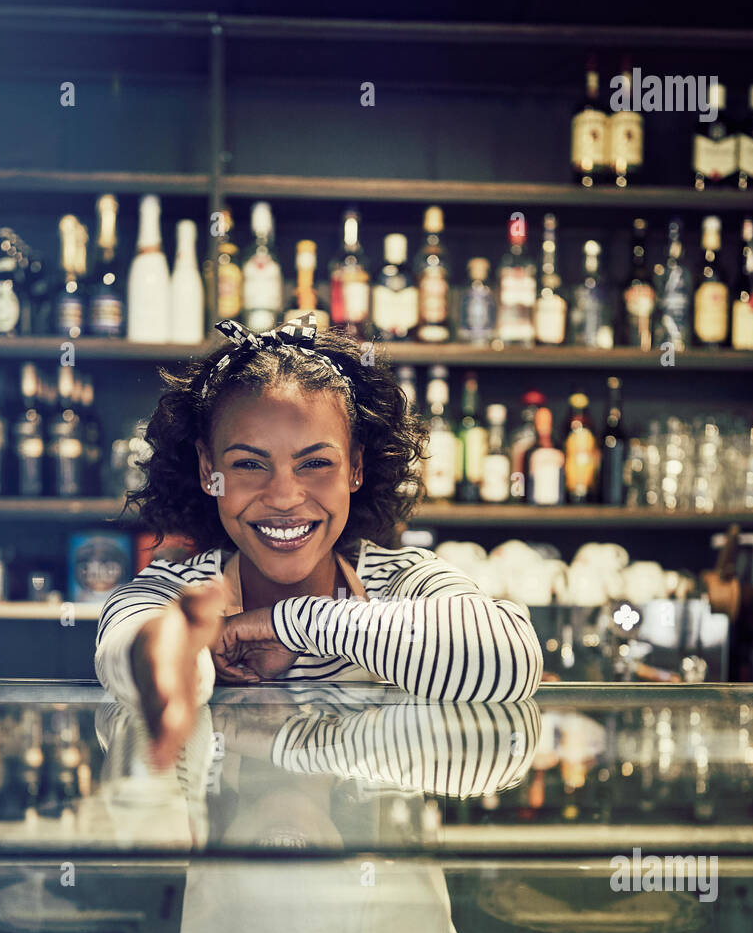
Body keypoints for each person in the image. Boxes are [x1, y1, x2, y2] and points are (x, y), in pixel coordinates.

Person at [95, 314, 542, 766]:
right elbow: (126, 651)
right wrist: (165, 655)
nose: (285, 497)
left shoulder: (404, 581)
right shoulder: (173, 591)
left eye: (315, 463)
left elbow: (510, 659)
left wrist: (285, 623)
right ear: (209, 469)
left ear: (355, 468)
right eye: (250, 464)